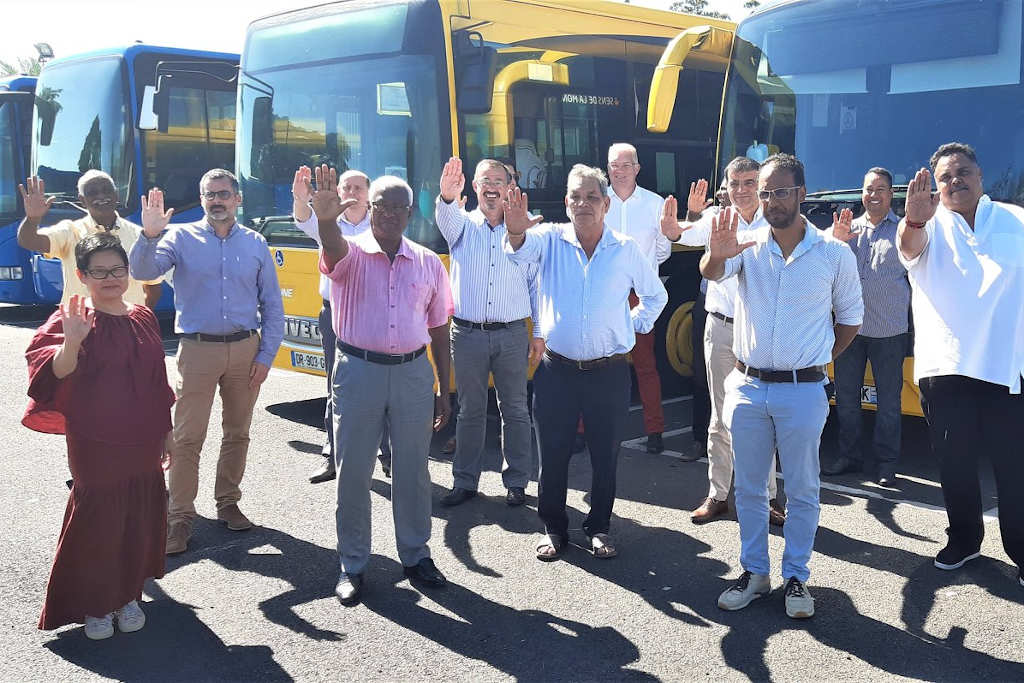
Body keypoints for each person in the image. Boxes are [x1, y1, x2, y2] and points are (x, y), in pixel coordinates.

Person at [702, 154, 862, 619]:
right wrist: (717, 251)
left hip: (803, 391)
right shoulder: (747, 247)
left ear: (801, 193)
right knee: (750, 488)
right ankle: (755, 572)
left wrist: (818, 358)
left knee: (803, 489)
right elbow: (712, 274)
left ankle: (796, 577)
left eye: (780, 191)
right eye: (765, 192)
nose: (771, 200)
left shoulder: (833, 253)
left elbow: (851, 318)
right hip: (749, 387)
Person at [504, 164, 668, 561]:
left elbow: (655, 297)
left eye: (592, 197)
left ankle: (599, 526)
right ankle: (554, 528)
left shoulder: (625, 248)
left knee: (605, 454)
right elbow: (518, 253)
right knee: (553, 454)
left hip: (608, 373)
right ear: (566, 202)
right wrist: (514, 229)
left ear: (606, 204)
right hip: (556, 371)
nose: (583, 204)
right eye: (575, 197)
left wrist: (626, 328)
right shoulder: (547, 239)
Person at [308, 166, 453, 606]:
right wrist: (327, 219)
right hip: (358, 372)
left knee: (413, 470)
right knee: (353, 471)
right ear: (369, 209)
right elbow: (331, 250)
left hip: (412, 374)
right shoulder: (348, 253)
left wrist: (444, 389)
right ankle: (352, 564)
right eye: (381, 205)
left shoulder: (428, 262)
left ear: (410, 213)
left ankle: (416, 555)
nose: (390, 213)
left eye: (398, 207)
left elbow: (440, 329)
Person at [24, 233, 174, 640]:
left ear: (129, 272)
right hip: (96, 440)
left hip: (143, 438)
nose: (110, 278)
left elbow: (157, 379)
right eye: (99, 271)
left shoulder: (142, 315)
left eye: (117, 270)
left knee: (137, 516)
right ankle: (95, 602)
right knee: (98, 519)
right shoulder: (71, 316)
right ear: (82, 275)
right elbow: (50, 374)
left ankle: (126, 594)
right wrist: (72, 341)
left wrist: (167, 429)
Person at [130, 169, 284, 555]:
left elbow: (273, 308)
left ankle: (228, 503)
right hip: (197, 350)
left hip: (245, 350)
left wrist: (266, 356)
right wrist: (148, 235)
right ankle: (179, 518)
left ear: (238, 199)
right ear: (201, 200)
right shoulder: (179, 238)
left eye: (224, 194)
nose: (217, 200)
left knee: (238, 433)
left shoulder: (255, 243)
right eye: (209, 194)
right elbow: (143, 271)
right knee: (186, 438)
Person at [897, 142, 1024, 587]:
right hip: (945, 368)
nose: (955, 181)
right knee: (955, 463)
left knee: (1015, 468)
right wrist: (913, 218)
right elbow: (909, 249)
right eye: (946, 177)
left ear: (980, 175)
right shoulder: (926, 225)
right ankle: (965, 539)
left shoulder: (1016, 220)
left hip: (1007, 368)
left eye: (963, 172)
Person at [661, 158, 786, 527]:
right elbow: (683, 232)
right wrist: (673, 228)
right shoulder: (717, 219)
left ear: (761, 185)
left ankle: (767, 499)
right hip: (720, 327)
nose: (743, 190)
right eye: (736, 183)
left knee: (763, 415)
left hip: (762, 330)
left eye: (750, 182)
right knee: (720, 415)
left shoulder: (777, 221)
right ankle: (718, 495)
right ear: (726, 187)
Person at [435, 157, 541, 508]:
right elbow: (445, 216)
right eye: (485, 179)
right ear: (476, 187)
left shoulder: (526, 232)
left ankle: (517, 482)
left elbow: (536, 286)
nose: (492, 184)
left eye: (500, 178)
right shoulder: (462, 226)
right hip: (467, 335)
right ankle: (465, 481)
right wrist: (447, 197)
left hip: (512, 334)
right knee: (470, 411)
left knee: (515, 408)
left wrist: (539, 332)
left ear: (511, 187)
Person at [291, 166, 392, 484]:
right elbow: (302, 219)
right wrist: (299, 198)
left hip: (374, 314)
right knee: (336, 385)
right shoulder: (326, 223)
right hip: (334, 314)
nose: (352, 193)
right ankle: (332, 456)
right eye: (346, 188)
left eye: (358, 188)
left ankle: (388, 455)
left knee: (381, 386)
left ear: (369, 193)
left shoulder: (383, 225)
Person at [824, 167, 910, 487]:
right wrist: (837, 243)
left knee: (889, 402)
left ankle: (887, 463)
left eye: (880, 190)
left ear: (891, 194)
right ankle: (850, 456)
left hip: (889, 331)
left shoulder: (903, 232)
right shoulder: (847, 230)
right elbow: (829, 272)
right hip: (850, 330)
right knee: (846, 398)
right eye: (868, 189)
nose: (873, 195)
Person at [605, 143, 672, 453]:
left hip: (639, 295)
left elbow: (663, 250)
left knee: (646, 365)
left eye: (625, 165)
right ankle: (585, 430)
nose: (619, 171)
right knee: (595, 365)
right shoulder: (597, 199)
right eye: (613, 166)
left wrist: (644, 274)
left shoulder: (654, 204)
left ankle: (655, 430)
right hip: (603, 294)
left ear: (637, 168)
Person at [18, 172, 163, 308]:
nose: (101, 196)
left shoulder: (138, 235)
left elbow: (153, 287)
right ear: (82, 200)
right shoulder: (70, 232)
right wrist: (33, 219)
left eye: (107, 190)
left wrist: (139, 318)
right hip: (81, 326)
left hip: (127, 327)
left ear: (116, 195)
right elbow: (29, 241)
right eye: (92, 193)